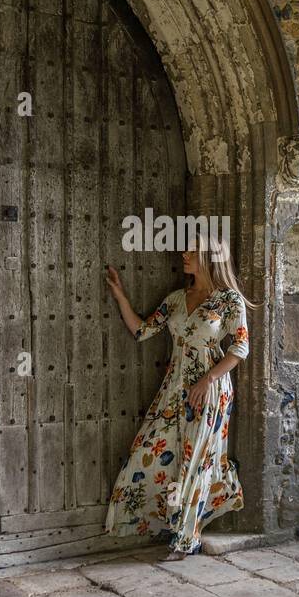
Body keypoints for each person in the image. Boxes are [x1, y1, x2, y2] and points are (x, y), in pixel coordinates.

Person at [102, 234, 252, 560]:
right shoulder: (175, 299)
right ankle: (176, 522)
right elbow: (142, 331)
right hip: (174, 389)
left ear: (210, 257)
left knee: (196, 460)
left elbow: (241, 348)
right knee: (153, 454)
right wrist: (119, 294)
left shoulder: (229, 301)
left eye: (192, 250)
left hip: (210, 391)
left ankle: (186, 538)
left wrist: (207, 379)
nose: (184, 253)